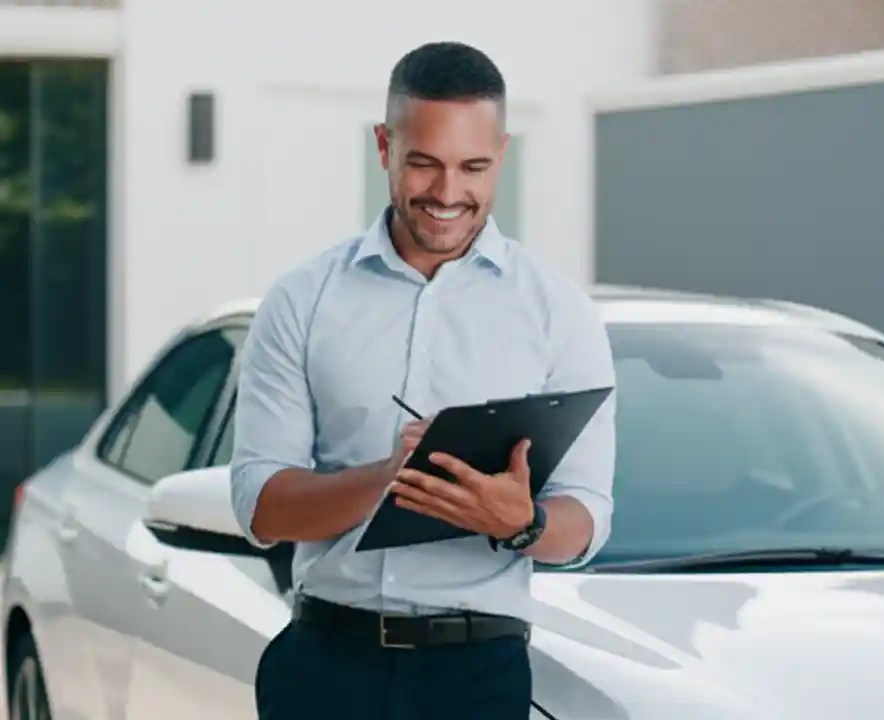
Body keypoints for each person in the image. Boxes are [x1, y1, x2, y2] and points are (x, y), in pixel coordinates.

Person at [229, 41, 616, 720]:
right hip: (322, 667)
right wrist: (390, 477)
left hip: (474, 675)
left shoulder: (560, 315)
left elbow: (585, 519)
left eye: (473, 167)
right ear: (384, 145)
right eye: (424, 164)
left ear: (503, 152)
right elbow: (262, 506)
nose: (447, 193)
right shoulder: (302, 300)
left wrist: (520, 523)